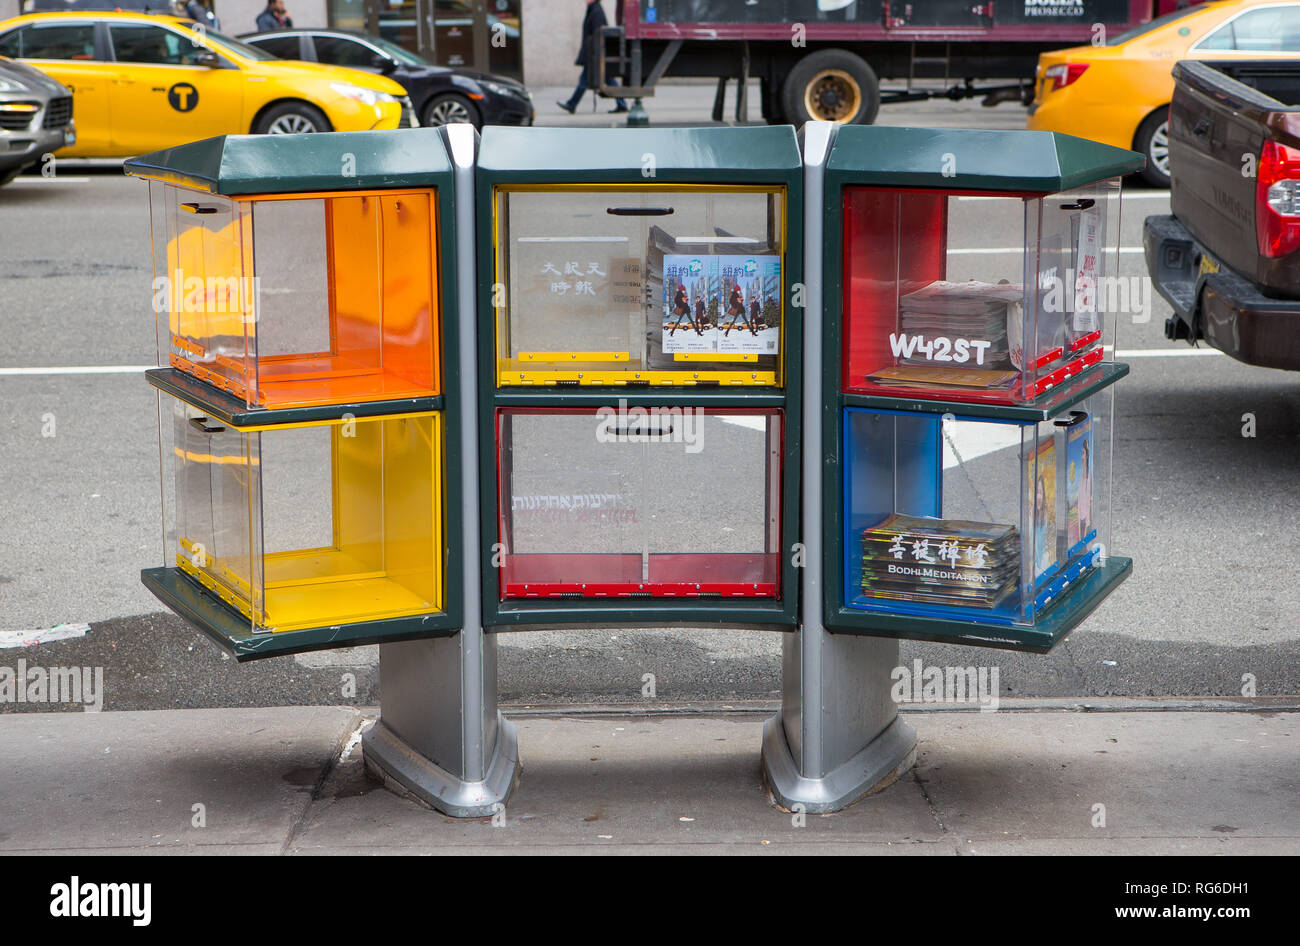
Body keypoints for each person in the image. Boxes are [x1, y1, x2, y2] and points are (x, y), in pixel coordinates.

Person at [557, 0, 627, 115]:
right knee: (607, 79)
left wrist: (594, 54)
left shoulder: (596, 11)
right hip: (593, 53)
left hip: (594, 54)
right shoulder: (593, 10)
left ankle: (572, 104)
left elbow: (598, 34)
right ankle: (621, 103)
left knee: (585, 80)